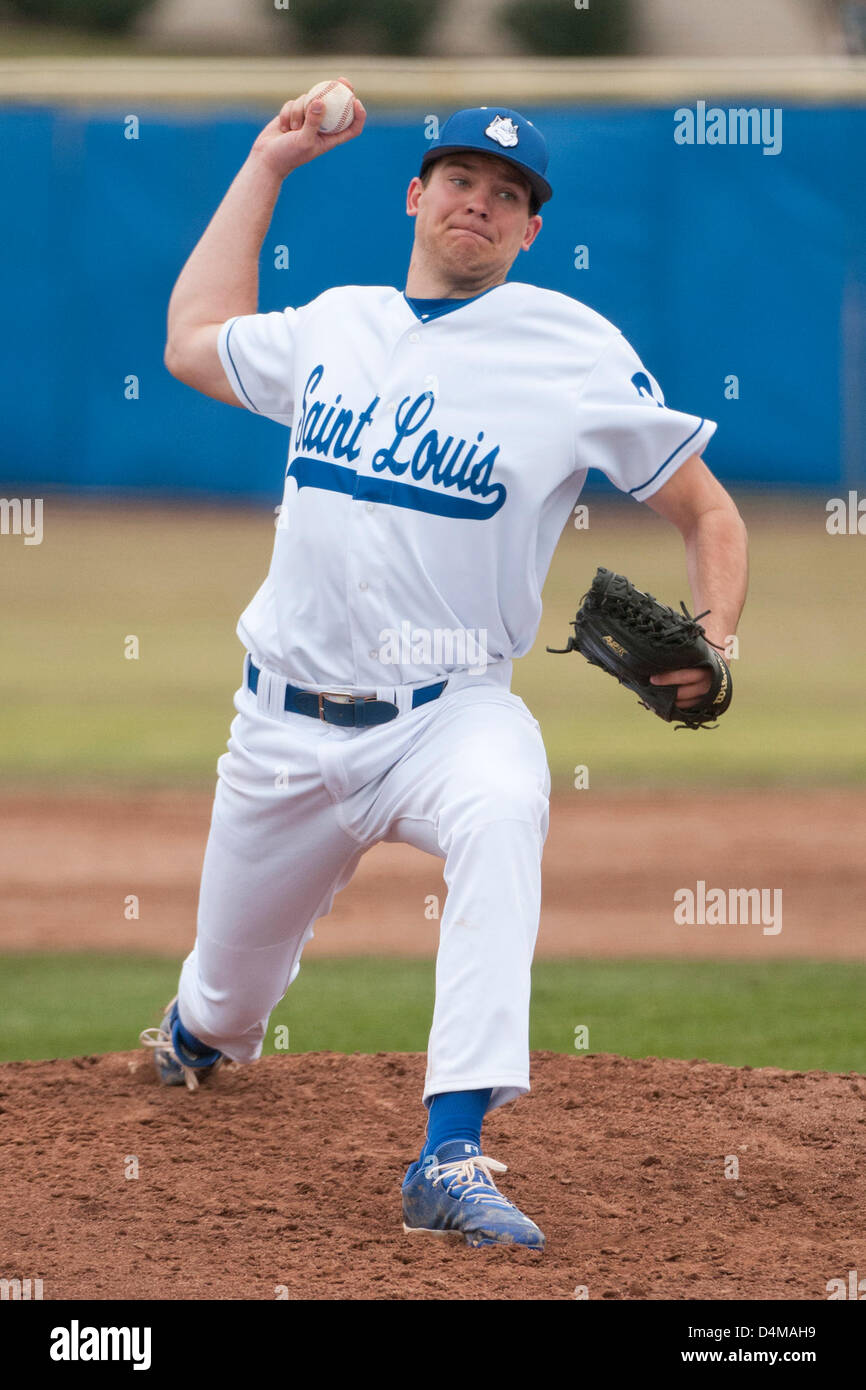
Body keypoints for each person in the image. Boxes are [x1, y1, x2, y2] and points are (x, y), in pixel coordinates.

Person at [139, 82, 749, 1251]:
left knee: (506, 799)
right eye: (463, 178)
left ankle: (452, 1151)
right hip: (280, 730)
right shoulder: (334, 324)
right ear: (417, 196)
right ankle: (200, 1032)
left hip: (447, 715)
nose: (482, 200)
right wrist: (268, 163)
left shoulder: (571, 351)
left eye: (510, 194)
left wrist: (715, 640)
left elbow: (706, 512)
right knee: (223, 1003)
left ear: (528, 232)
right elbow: (187, 341)